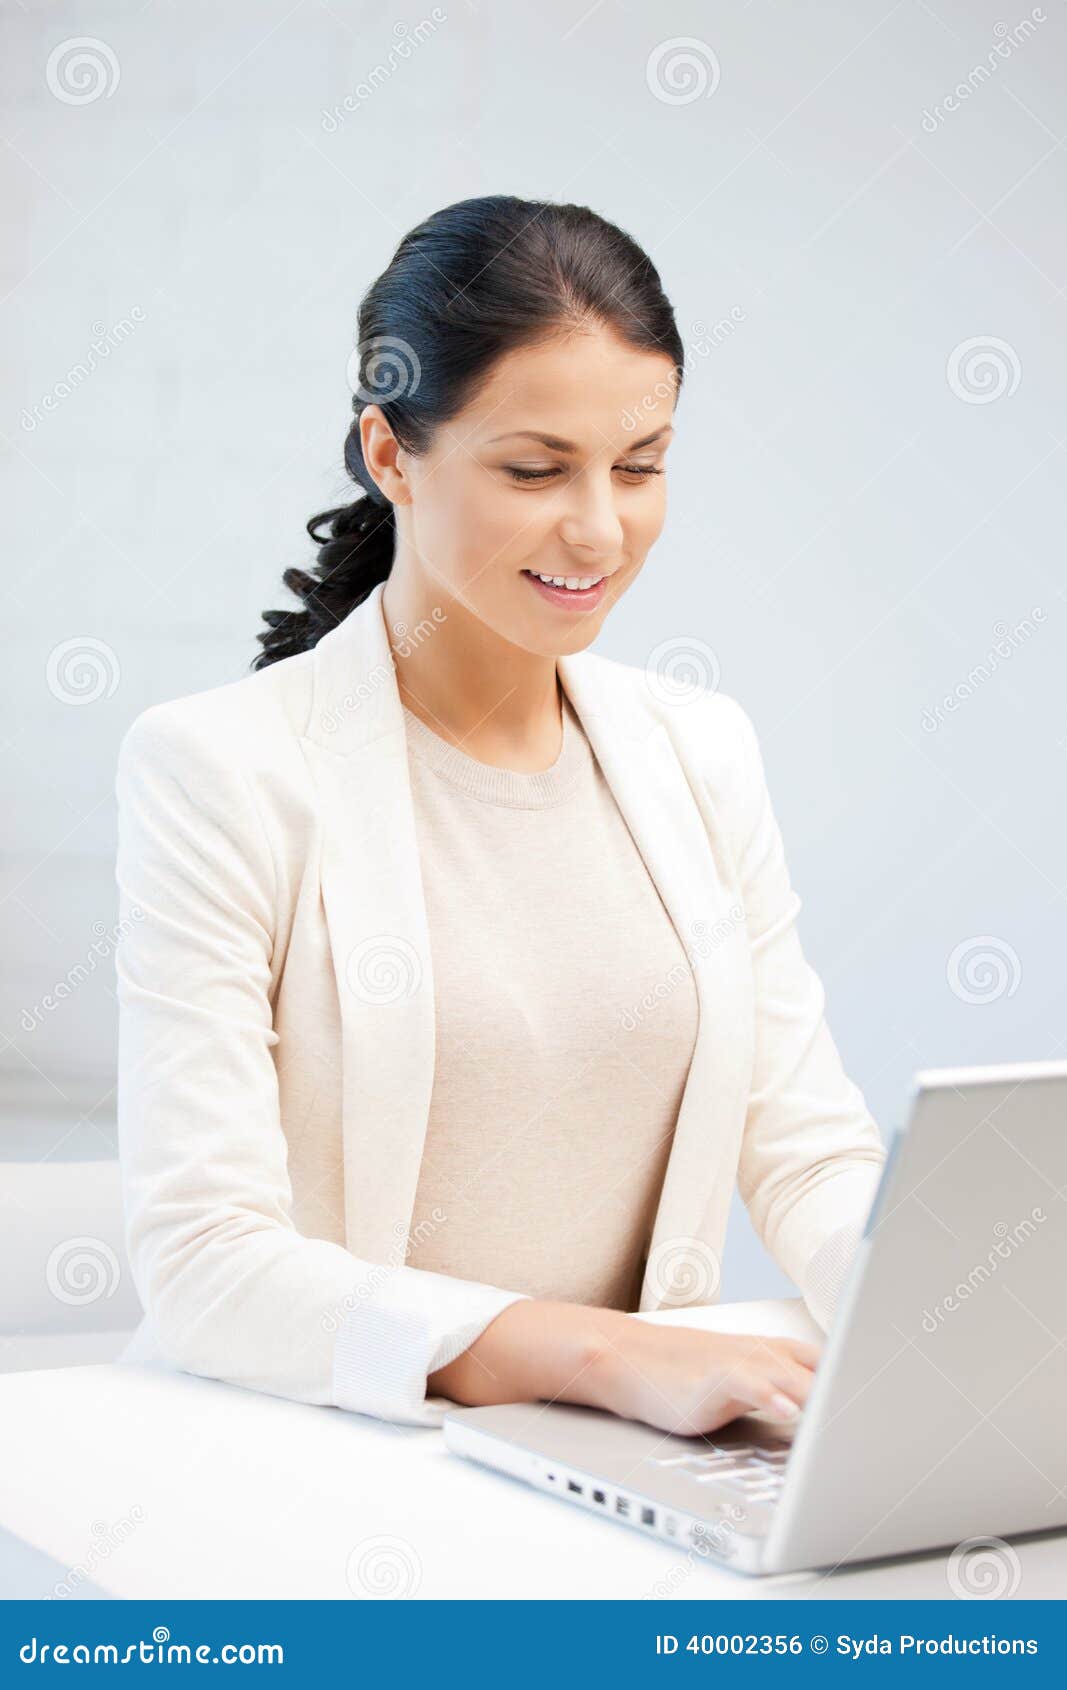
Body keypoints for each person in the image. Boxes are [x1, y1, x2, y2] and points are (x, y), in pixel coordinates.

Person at [114, 193, 884, 1436]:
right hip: (343, 1451)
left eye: (639, 468)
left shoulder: (699, 752)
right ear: (389, 454)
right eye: (533, 469)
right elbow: (207, 1260)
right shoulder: (220, 770)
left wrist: (937, 1315)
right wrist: (599, 1357)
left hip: (631, 1460)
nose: (597, 528)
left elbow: (805, 1151)